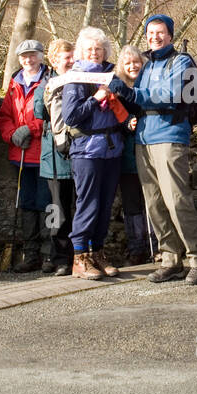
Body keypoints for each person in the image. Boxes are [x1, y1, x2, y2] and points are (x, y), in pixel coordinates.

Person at [105, 14, 197, 285]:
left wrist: (130, 94)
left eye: (160, 32)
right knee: (154, 202)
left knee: (176, 200)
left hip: (170, 136)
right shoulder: (147, 63)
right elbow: (136, 100)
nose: (155, 37)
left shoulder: (182, 62)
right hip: (144, 138)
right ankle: (170, 259)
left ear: (170, 36)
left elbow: (170, 95)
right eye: (151, 32)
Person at [63, 27, 126, 279]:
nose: (94, 53)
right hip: (86, 150)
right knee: (88, 203)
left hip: (112, 148)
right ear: (81, 51)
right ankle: (80, 257)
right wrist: (95, 98)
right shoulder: (75, 78)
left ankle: (97, 253)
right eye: (90, 49)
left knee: (106, 204)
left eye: (98, 49)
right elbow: (71, 116)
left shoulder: (113, 75)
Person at [0, 40, 49, 272]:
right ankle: (31, 254)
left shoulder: (49, 79)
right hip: (21, 154)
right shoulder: (14, 83)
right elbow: (5, 115)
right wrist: (12, 135)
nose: (28, 60)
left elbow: (51, 113)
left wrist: (31, 128)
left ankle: (49, 253)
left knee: (48, 204)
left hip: (45, 153)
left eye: (32, 55)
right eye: (24, 56)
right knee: (27, 204)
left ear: (40, 56)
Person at [35, 39, 75, 276]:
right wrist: (49, 92)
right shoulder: (45, 84)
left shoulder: (81, 79)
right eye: (65, 57)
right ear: (54, 60)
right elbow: (38, 112)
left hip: (79, 153)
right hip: (54, 156)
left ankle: (79, 254)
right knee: (56, 211)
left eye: (72, 57)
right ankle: (58, 256)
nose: (70, 61)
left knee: (80, 207)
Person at [113, 45, 151, 265]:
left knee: (153, 200)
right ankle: (137, 247)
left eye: (136, 62)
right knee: (131, 203)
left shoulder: (148, 84)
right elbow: (111, 118)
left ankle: (158, 244)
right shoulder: (116, 90)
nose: (132, 66)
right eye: (128, 63)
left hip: (148, 149)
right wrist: (125, 123)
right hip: (126, 155)